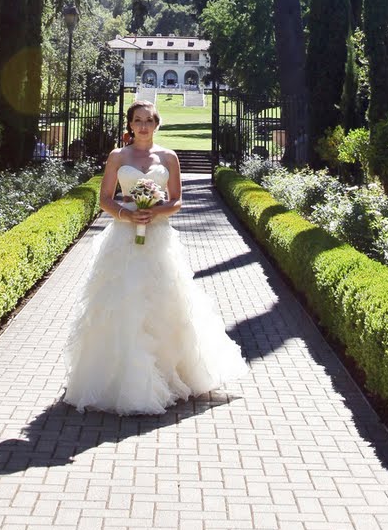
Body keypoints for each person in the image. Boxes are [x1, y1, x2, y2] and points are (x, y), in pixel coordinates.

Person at [61, 100, 248, 414]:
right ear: (130, 125)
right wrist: (127, 214)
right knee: (123, 302)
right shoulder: (118, 156)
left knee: (165, 303)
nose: (143, 126)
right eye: (138, 120)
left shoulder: (168, 157)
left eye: (149, 120)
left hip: (159, 239)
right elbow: (105, 199)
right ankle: (119, 382)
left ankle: (167, 375)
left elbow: (176, 201)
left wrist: (154, 211)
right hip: (123, 239)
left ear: (157, 124)